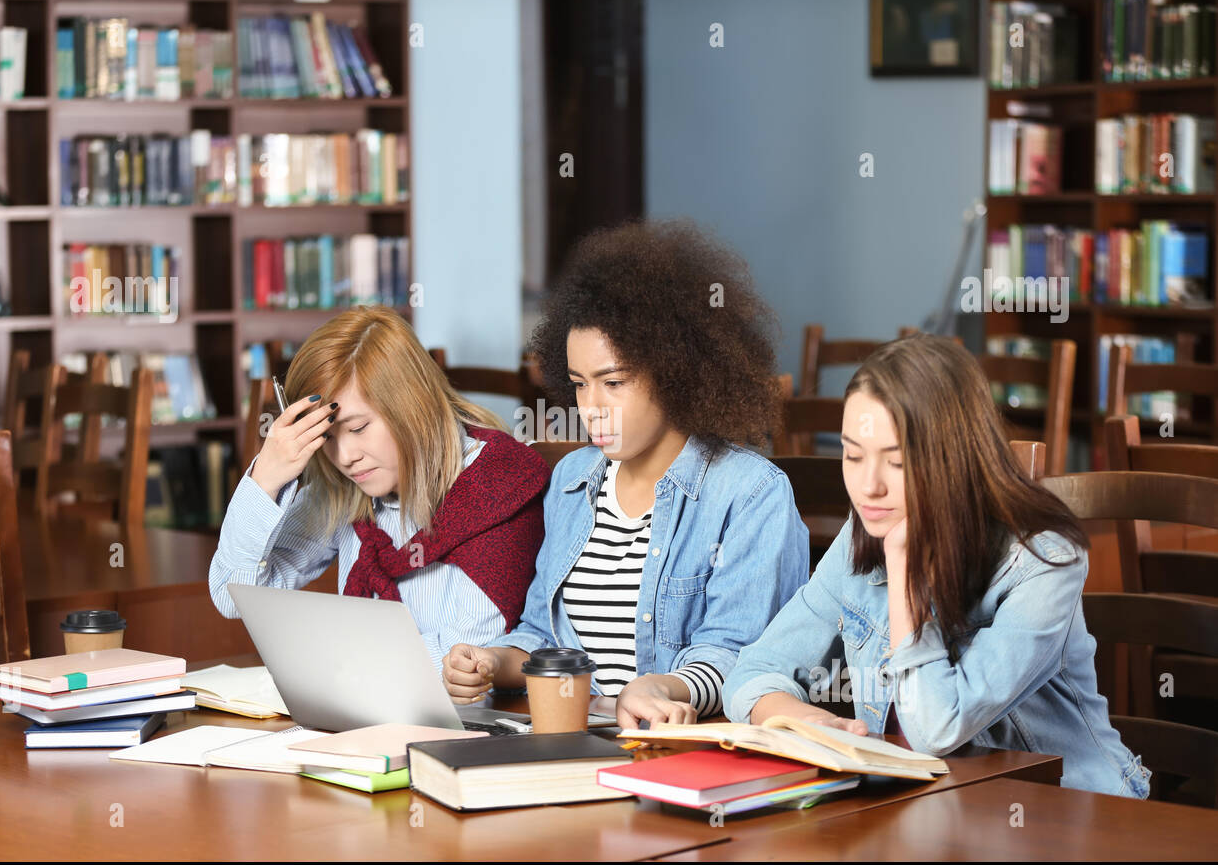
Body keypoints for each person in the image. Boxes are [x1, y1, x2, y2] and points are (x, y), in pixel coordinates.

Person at [722, 334, 1152, 798]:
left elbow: (936, 729)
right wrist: (802, 718)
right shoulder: (862, 534)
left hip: (1067, 811)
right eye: (852, 455)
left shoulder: (1043, 559)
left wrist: (906, 566)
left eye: (898, 461)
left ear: (956, 460)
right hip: (933, 807)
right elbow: (752, 670)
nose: (868, 487)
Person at [442, 219, 810, 729]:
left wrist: (660, 687)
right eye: (578, 384)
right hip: (573, 737)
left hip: (675, 751)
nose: (591, 407)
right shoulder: (573, 480)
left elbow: (741, 654)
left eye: (613, 382)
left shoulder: (749, 493)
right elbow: (542, 635)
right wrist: (491, 662)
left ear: (677, 370)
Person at [208, 306, 551, 669]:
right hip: (361, 707)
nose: (345, 455)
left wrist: (331, 665)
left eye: (358, 428)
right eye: (326, 436)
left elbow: (462, 664)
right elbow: (234, 597)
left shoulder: (499, 488)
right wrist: (265, 479)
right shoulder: (348, 487)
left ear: (412, 406)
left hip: (464, 721)